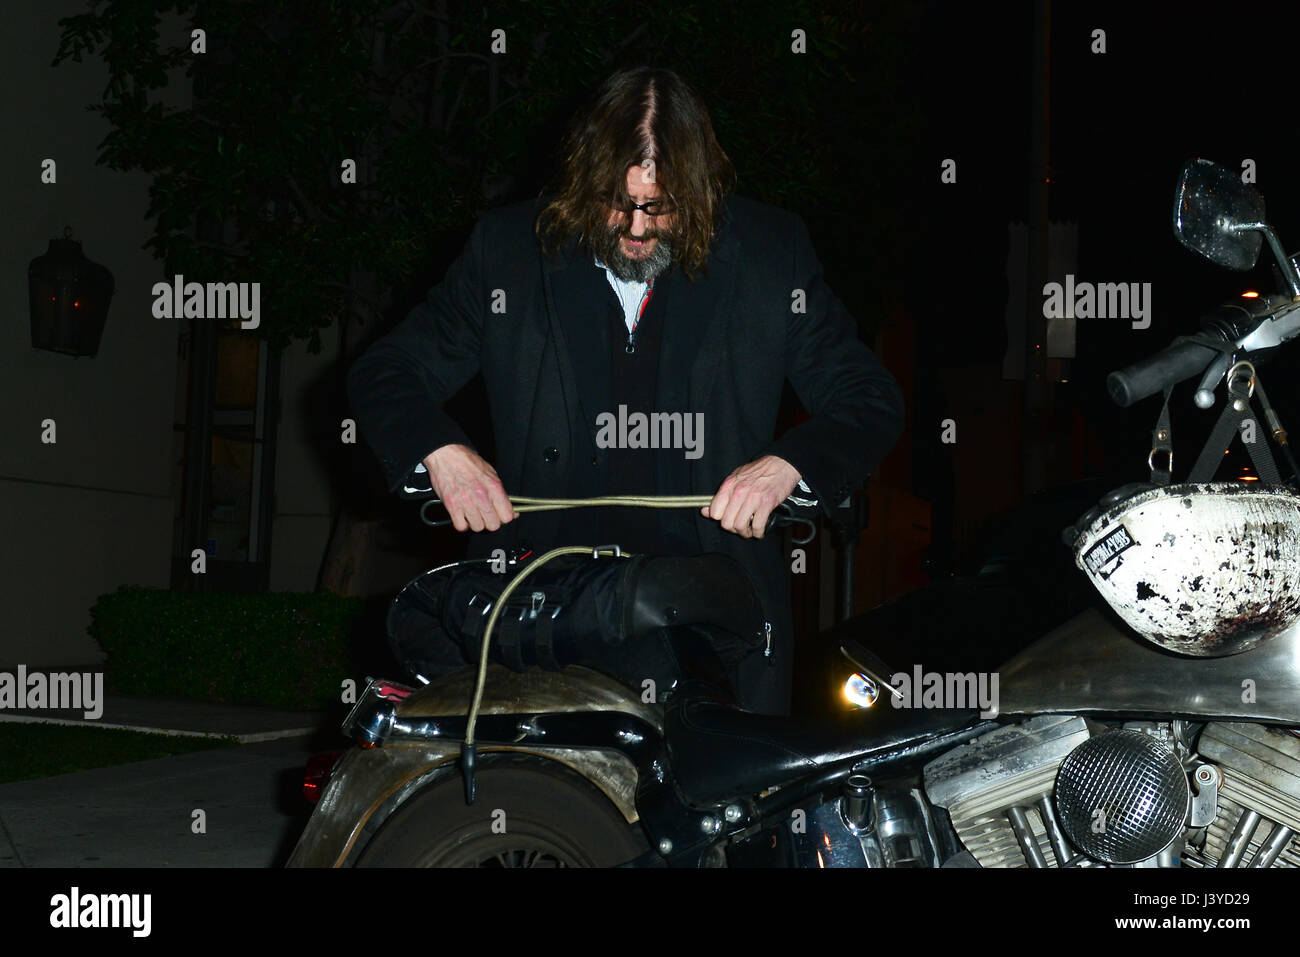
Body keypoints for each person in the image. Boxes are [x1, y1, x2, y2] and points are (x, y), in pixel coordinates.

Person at [347, 66, 905, 715]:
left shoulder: (768, 256)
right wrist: (440, 450)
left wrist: (791, 464)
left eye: (660, 206)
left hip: (710, 626)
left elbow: (870, 397)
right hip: (540, 612)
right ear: (585, 181)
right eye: (617, 201)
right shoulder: (507, 253)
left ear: (697, 193)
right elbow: (385, 371)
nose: (636, 227)